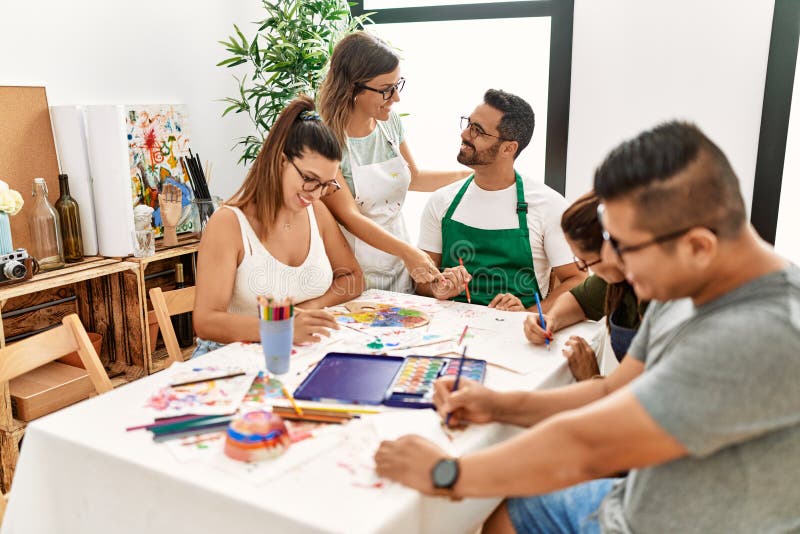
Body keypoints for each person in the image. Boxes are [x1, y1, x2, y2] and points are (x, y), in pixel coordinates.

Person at [374, 121, 800, 533]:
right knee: (510, 512)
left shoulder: (760, 334)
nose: (612, 262)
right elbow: (609, 392)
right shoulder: (689, 287)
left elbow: (590, 447)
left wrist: (446, 472)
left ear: (698, 246)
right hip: (632, 500)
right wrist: (497, 405)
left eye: (625, 247)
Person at [192, 96, 365, 355]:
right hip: (230, 361)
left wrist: (308, 309)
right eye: (309, 179)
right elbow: (206, 321)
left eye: (326, 185)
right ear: (281, 161)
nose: (316, 194)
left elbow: (353, 277)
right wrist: (281, 328)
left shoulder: (315, 212)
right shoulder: (229, 223)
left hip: (292, 356)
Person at [318, 31, 469, 293]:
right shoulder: (324, 140)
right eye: (387, 90)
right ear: (353, 88)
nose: (396, 98)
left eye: (397, 86)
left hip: (398, 265)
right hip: (351, 271)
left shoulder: (390, 125)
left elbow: (415, 178)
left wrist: (471, 176)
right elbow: (349, 216)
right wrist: (410, 253)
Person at [415, 89, 585, 311]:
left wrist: (529, 314)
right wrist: (438, 288)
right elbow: (421, 282)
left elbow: (577, 280)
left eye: (478, 131)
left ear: (508, 148)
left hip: (515, 338)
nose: (466, 134)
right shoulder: (441, 200)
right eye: (469, 124)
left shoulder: (549, 206)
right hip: (448, 336)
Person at [523, 191, 648, 380]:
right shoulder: (612, 282)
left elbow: (640, 395)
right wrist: (552, 320)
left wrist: (591, 377)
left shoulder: (659, 295)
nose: (582, 268)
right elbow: (577, 299)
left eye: (586, 261)